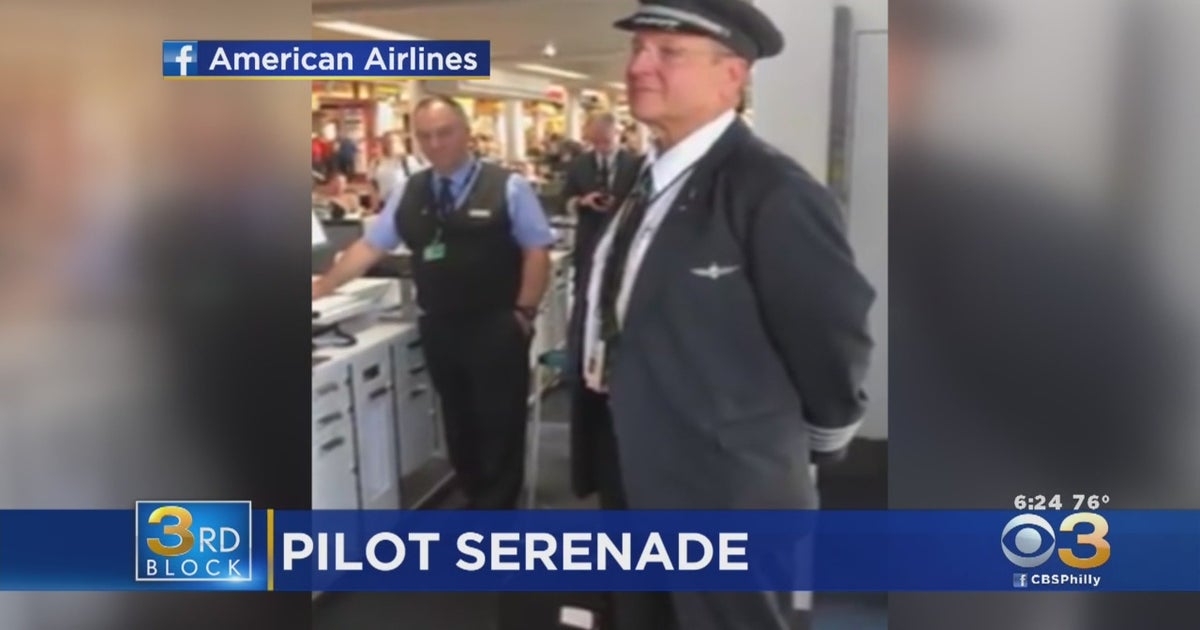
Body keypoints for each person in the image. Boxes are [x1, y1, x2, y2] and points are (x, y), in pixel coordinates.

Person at [566, 1, 875, 628]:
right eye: (638, 48)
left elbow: (830, 329)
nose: (639, 66)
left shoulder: (772, 189)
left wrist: (824, 435)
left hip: (723, 484)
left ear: (732, 75)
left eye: (669, 53)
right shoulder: (646, 177)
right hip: (634, 459)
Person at [314, 95, 555, 510]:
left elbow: (536, 251)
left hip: (496, 324)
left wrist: (524, 312)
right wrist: (323, 286)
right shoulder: (412, 190)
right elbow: (371, 246)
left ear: (466, 133)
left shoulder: (506, 186)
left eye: (444, 133)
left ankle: (497, 515)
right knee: (459, 424)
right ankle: (476, 498)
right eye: (425, 136)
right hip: (441, 326)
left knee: (499, 423)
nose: (435, 144)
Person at [562, 111, 643, 285]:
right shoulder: (578, 164)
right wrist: (581, 202)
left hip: (622, 242)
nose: (600, 147)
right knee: (583, 288)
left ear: (618, 133)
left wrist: (622, 204)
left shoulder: (637, 165)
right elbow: (564, 200)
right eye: (594, 142)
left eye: (606, 141)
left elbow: (644, 203)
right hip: (588, 240)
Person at [369, 131, 424, 209]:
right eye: (388, 142)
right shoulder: (376, 163)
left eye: (394, 141)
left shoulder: (408, 161)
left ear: (400, 143)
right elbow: (373, 188)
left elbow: (419, 184)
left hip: (405, 203)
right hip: (385, 204)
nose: (391, 144)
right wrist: (374, 207)